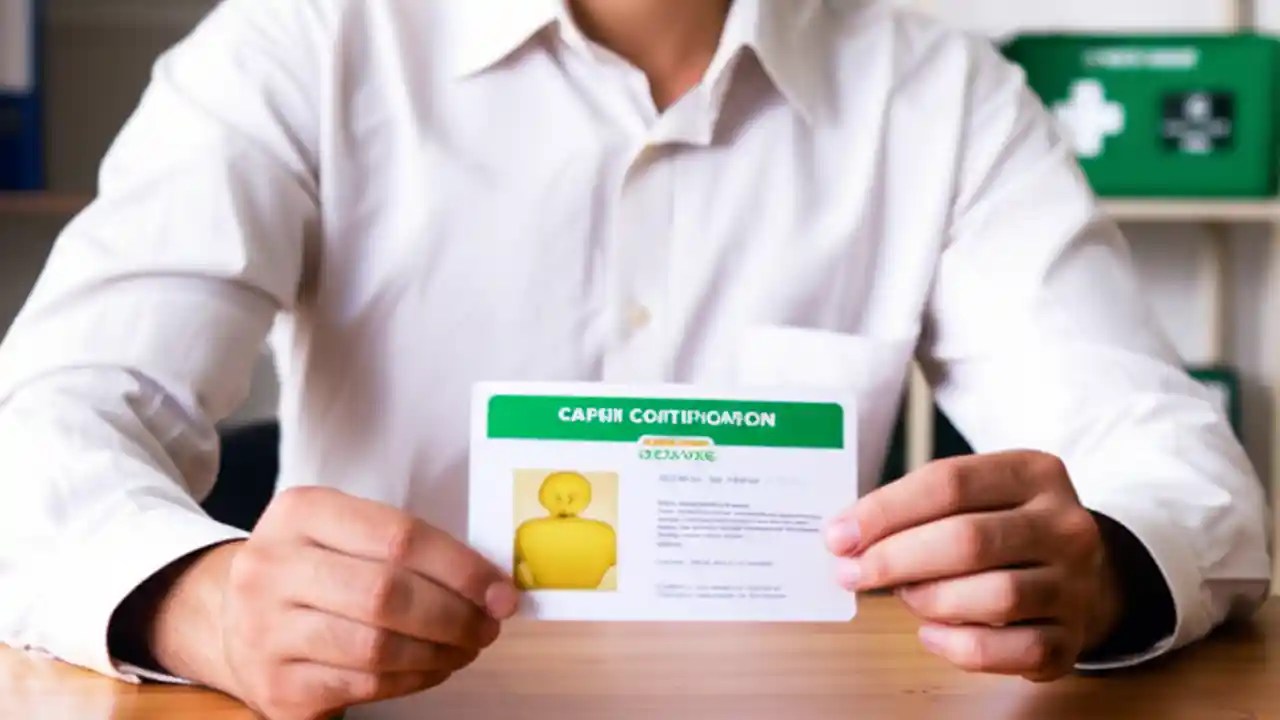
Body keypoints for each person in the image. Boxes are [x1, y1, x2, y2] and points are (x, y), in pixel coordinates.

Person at [0, 0, 1268, 718]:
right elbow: (48, 415)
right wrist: (193, 597)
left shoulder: (944, 97)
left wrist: (1100, 566)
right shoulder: (300, 45)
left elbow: (1173, 466)